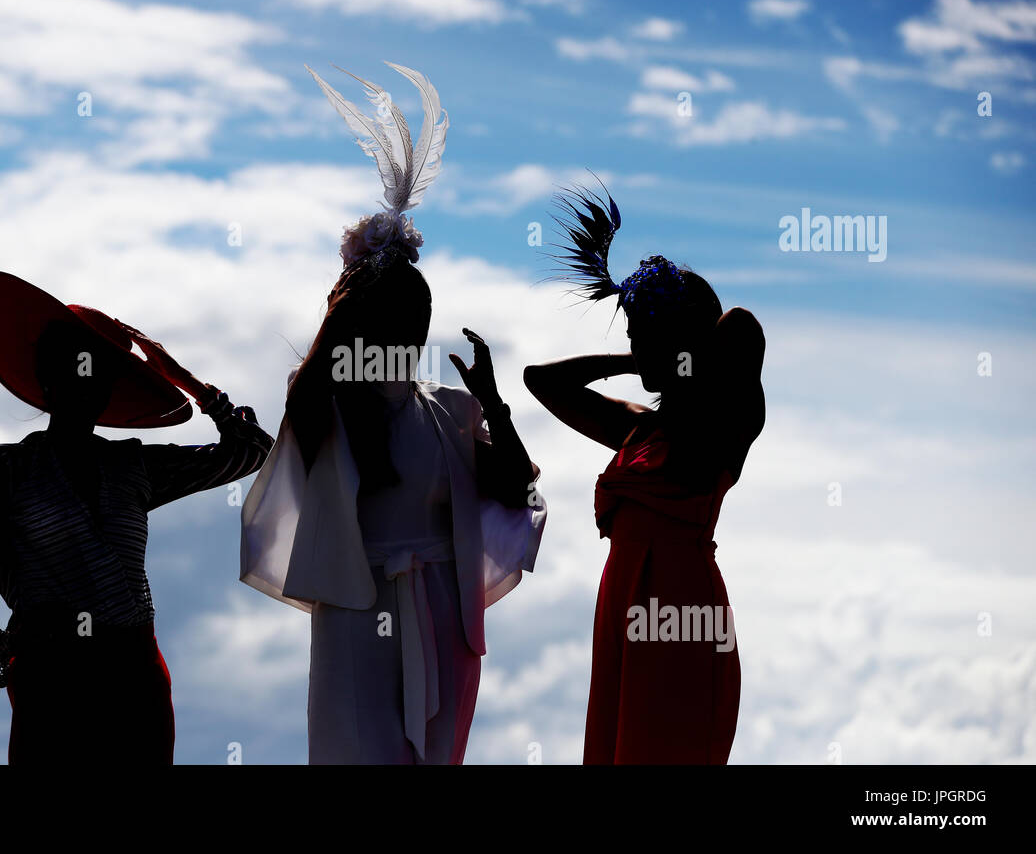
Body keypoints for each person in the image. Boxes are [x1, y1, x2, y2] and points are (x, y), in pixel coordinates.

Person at [240, 63, 547, 764]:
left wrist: (497, 404)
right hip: (357, 616)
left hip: (441, 613)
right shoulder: (325, 402)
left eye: (420, 316)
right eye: (399, 316)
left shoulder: (451, 411)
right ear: (364, 324)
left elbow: (515, 489)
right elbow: (310, 390)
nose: (412, 332)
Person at [0, 270, 273, 765]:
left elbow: (250, 450)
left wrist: (192, 385)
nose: (85, 383)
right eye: (74, 368)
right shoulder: (9, 471)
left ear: (109, 390)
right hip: (51, 683)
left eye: (97, 373)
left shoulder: (135, 466)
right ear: (47, 378)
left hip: (136, 682)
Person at [523, 184, 765, 764]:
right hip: (621, 608)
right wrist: (637, 360)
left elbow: (739, 331)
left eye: (638, 332)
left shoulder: (719, 428)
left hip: (683, 613)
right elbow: (542, 380)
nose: (631, 341)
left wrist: (674, 346)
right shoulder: (639, 430)